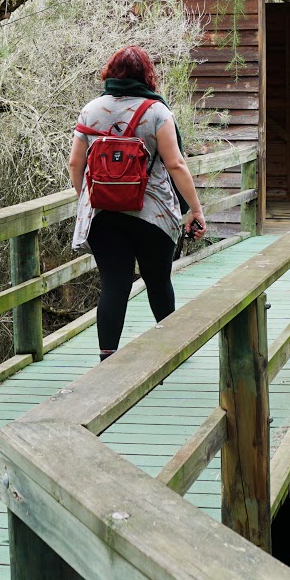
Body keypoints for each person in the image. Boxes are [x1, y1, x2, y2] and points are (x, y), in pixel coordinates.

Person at [70, 46, 206, 362]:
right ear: (147, 75)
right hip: (152, 214)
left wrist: (87, 200)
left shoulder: (91, 110)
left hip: (103, 215)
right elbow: (175, 164)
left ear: (110, 73)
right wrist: (195, 209)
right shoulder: (157, 112)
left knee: (113, 286)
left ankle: (107, 358)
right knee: (158, 281)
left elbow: (75, 163)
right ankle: (171, 352)